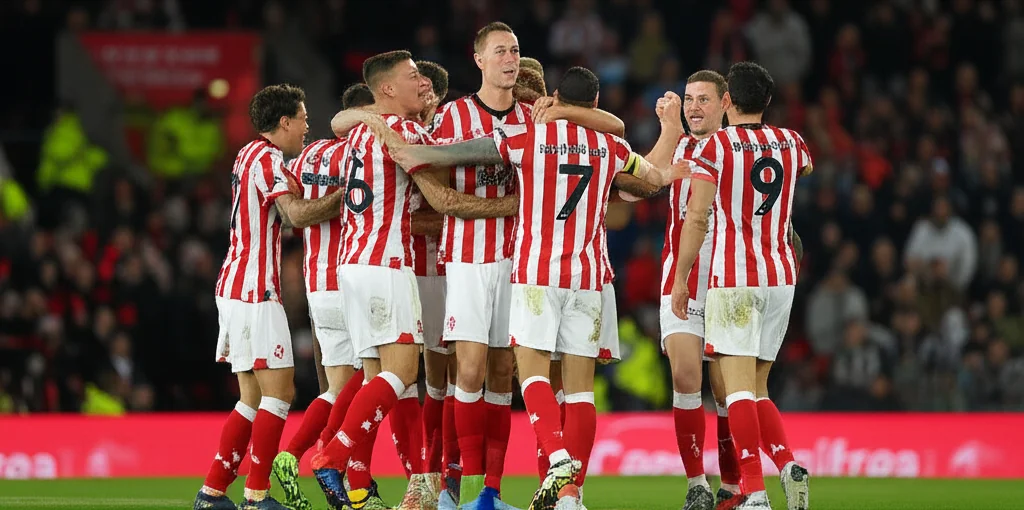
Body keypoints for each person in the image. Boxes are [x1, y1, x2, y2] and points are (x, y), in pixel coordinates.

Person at [390, 66, 683, 510]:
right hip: (589, 278)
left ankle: (558, 459)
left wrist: (415, 154)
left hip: (537, 275)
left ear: (555, 98)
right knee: (580, 393)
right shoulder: (610, 147)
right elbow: (650, 181)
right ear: (595, 104)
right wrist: (671, 150)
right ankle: (570, 496)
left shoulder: (527, 138)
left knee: (531, 376)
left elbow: (471, 151)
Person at [429, 23, 625, 509]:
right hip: (469, 256)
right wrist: (459, 205)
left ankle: (491, 492)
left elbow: (601, 134)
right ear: (479, 59)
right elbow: (429, 175)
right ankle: (461, 486)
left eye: (515, 50)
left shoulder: (532, 118)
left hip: (521, 261)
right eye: (500, 51)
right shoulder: (453, 114)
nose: (510, 59)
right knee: (468, 370)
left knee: (504, 373)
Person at [194, 84, 346, 510]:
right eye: (303, 119)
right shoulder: (268, 159)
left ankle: (212, 491)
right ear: (284, 121)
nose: (307, 127)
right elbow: (294, 214)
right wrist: (344, 197)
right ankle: (257, 496)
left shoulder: (247, 154)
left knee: (251, 399)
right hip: (255, 291)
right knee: (280, 393)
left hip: (235, 287)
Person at [672, 61, 810, 510]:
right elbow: (804, 169)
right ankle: (787, 464)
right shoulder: (792, 141)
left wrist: (680, 279)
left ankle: (754, 491)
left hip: (734, 278)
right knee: (759, 385)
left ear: (728, 99)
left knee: (738, 391)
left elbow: (696, 218)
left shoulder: (717, 146)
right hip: (781, 276)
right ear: (767, 101)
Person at [270, 82, 377, 510]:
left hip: (318, 284)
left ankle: (292, 455)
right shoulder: (360, 155)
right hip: (353, 280)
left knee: (337, 389)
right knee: (374, 381)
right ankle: (332, 464)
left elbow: (289, 211)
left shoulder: (308, 155)